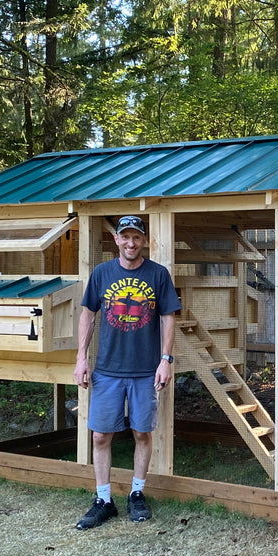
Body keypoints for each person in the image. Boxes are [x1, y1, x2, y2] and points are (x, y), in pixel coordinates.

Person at [73, 214, 180, 529]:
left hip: (146, 370)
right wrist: (81, 359)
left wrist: (166, 360)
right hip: (107, 370)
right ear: (117, 240)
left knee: (142, 433)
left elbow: (168, 317)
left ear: (143, 240)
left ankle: (137, 494)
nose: (131, 242)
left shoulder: (158, 274)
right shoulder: (102, 273)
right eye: (125, 237)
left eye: (137, 237)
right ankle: (103, 500)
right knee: (101, 435)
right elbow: (88, 316)